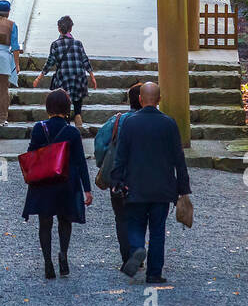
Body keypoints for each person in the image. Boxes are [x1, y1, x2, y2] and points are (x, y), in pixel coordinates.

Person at [110, 82, 190, 284]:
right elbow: (178, 159)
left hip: (135, 184)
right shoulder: (169, 124)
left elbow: (121, 156)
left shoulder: (130, 123)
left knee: (135, 223)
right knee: (157, 230)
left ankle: (137, 249)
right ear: (159, 99)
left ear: (139, 99)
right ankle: (154, 273)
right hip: (163, 187)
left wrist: (117, 180)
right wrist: (183, 189)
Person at [22, 89, 93, 278]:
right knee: (65, 220)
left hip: (44, 181)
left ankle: (47, 262)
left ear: (48, 108)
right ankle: (63, 254)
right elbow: (80, 161)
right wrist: (87, 189)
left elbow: (31, 153)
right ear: (67, 108)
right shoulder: (72, 132)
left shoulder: (39, 128)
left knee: (45, 223)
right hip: (66, 182)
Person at [95, 82, 142, 265]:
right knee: (140, 216)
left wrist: (104, 164)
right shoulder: (151, 121)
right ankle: (139, 251)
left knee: (121, 218)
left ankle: (127, 257)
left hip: (118, 176)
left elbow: (100, 145)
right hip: (143, 176)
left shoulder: (116, 121)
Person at [34, 15, 96, 128]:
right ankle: (77, 115)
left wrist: (39, 77)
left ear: (59, 29)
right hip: (79, 78)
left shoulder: (55, 44)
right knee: (77, 98)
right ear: (71, 29)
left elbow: (50, 62)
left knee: (63, 100)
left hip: (64, 78)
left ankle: (65, 122)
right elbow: (85, 60)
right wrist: (92, 76)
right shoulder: (78, 43)